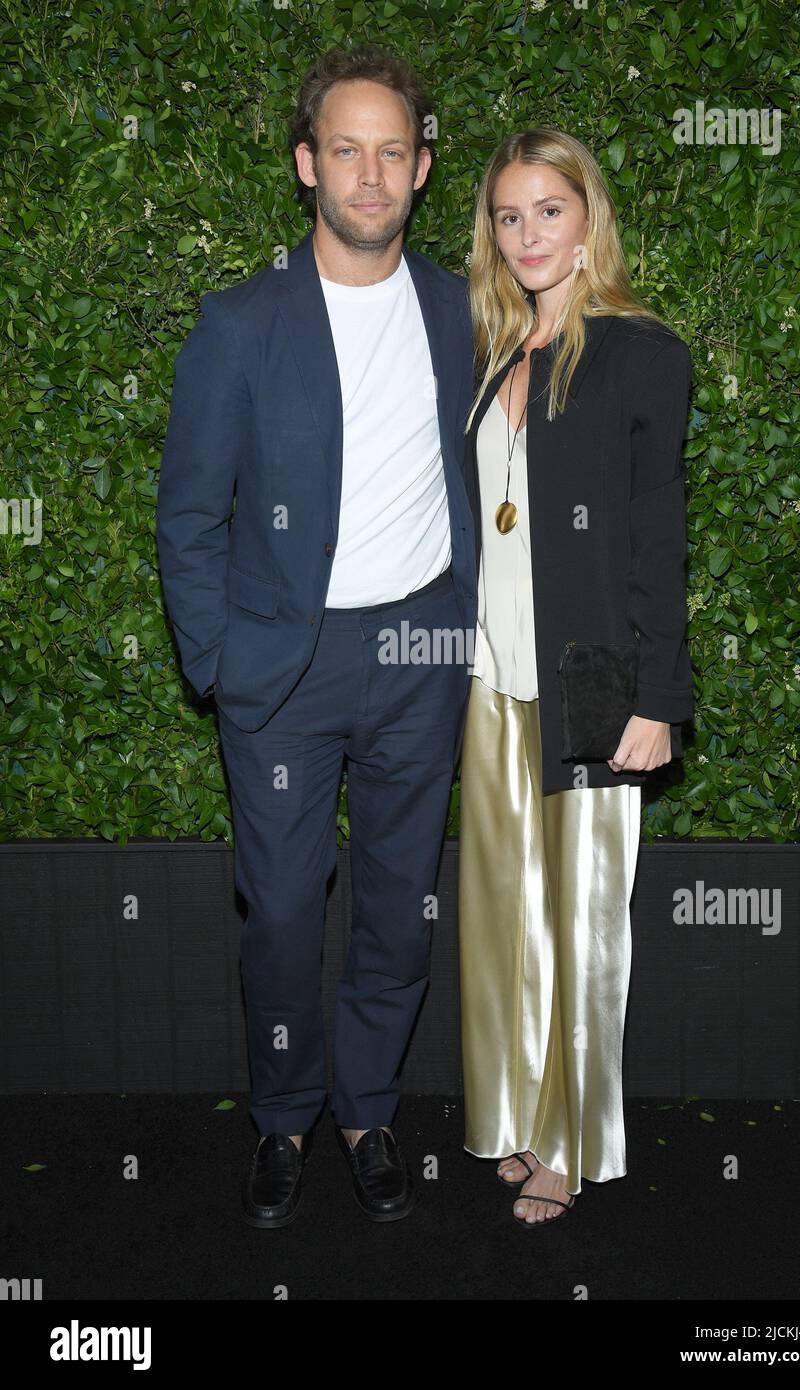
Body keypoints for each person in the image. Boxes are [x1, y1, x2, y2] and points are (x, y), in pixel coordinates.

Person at [156, 45, 477, 1227]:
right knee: (285, 908)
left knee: (399, 904)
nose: (370, 171)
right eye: (345, 148)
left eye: (392, 149)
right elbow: (188, 512)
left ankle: (368, 1107)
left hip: (421, 656)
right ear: (307, 165)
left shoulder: (463, 309)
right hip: (281, 669)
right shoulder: (240, 325)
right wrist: (220, 662)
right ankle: (284, 1115)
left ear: (422, 168)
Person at [457, 128, 694, 1227]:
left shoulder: (641, 352)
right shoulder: (498, 352)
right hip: (492, 683)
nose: (527, 234)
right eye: (508, 216)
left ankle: (571, 1141)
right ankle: (512, 1109)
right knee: (507, 916)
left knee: (586, 919)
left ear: (587, 216)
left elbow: (657, 538)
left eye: (548, 210)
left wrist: (658, 696)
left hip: (594, 680)